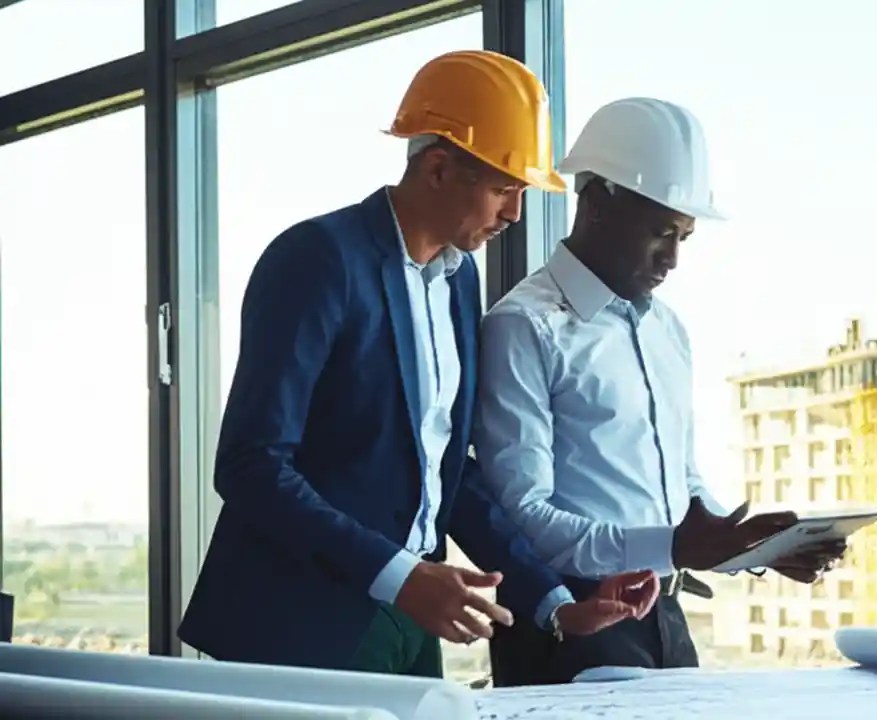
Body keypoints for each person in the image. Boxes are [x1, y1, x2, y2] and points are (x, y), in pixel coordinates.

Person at [178, 52, 659, 677]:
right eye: (503, 187)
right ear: (437, 169)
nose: (513, 213)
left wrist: (553, 600)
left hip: (411, 615)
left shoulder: (459, 284)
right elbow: (251, 465)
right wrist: (399, 576)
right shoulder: (318, 260)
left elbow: (446, 468)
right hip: (301, 624)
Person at [476, 97, 847, 686]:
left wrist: (757, 547)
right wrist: (671, 546)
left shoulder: (665, 329)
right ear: (596, 205)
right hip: (569, 621)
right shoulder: (523, 326)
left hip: (667, 616)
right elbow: (523, 516)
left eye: (685, 237)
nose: (673, 258)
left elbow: (682, 484)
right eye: (660, 232)